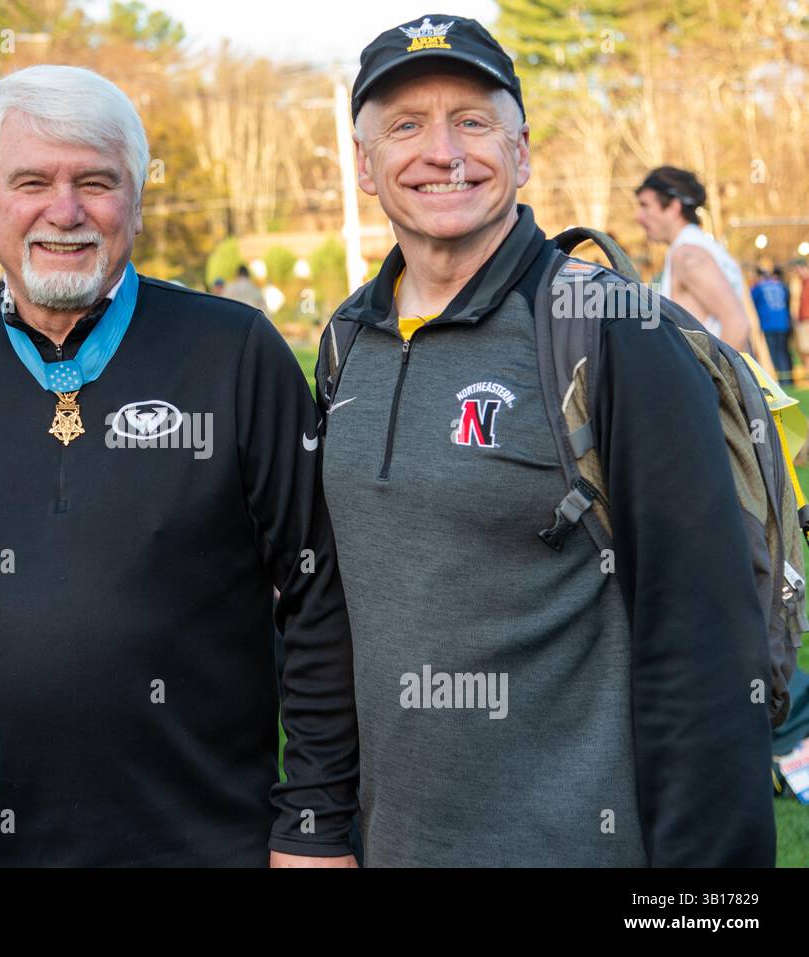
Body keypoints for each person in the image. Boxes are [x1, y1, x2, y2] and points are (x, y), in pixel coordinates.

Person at [0, 65, 359, 867]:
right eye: (31, 180)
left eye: (96, 182)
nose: (64, 210)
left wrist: (313, 822)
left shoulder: (236, 353)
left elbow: (319, 601)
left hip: (212, 847)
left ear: (135, 200)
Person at [321, 14, 773, 866]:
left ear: (522, 153)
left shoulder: (610, 331)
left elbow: (706, 644)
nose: (443, 151)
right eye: (407, 125)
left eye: (474, 121)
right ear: (365, 165)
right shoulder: (348, 341)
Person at [635, 165, 750, 349]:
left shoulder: (688, 255)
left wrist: (715, 378)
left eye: (645, 206)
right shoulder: (701, 247)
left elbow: (737, 324)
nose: (638, 217)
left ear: (673, 206)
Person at [751, 266, 793, 384]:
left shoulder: (758, 287)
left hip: (767, 323)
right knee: (784, 352)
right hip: (783, 323)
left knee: (772, 353)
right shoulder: (780, 285)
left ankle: (776, 380)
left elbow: (750, 303)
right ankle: (787, 380)